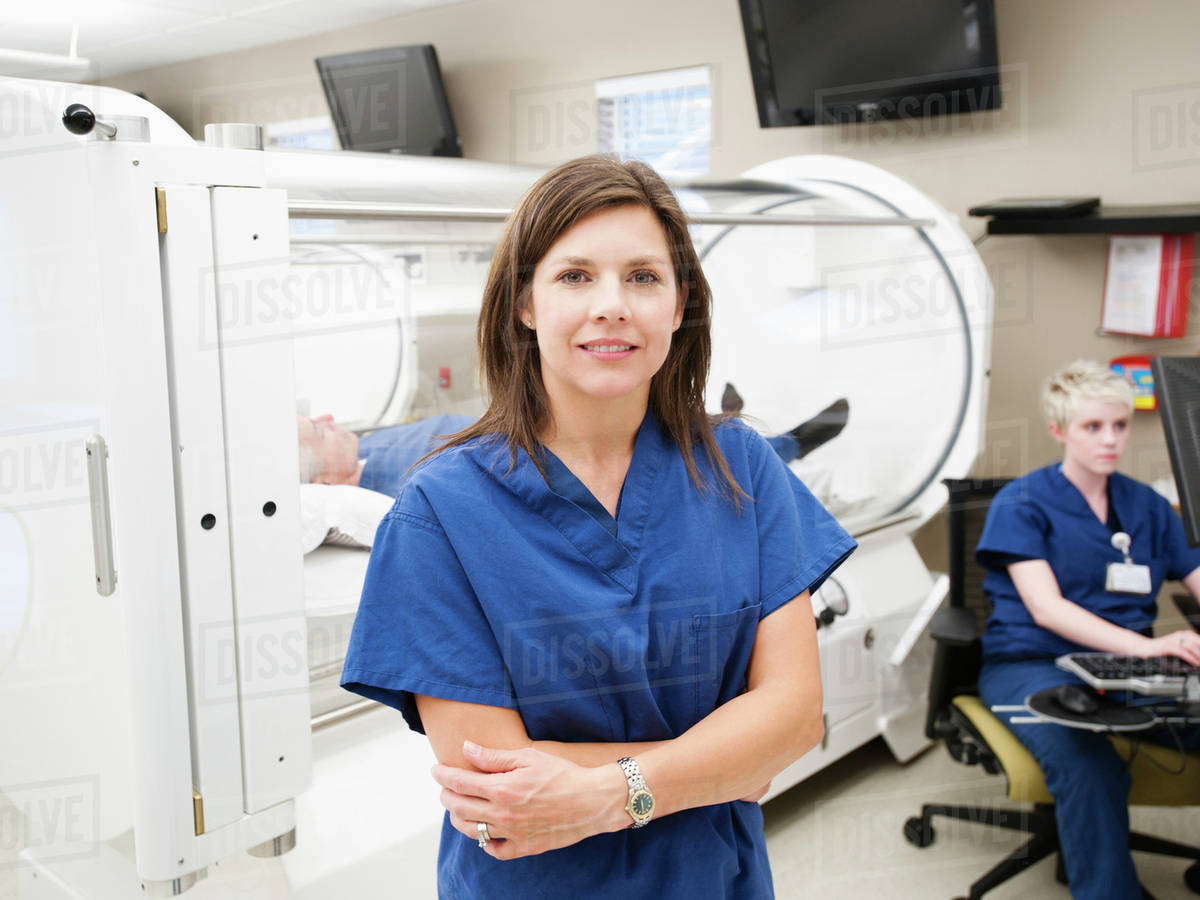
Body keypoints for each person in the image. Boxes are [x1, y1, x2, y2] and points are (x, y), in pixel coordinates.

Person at [339, 155, 856, 898]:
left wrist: (610, 792)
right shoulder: (442, 512)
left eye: (643, 277)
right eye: (575, 276)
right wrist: (718, 765)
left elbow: (796, 718)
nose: (612, 305)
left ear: (679, 306)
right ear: (524, 303)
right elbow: (499, 798)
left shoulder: (741, 467)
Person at [975, 359, 1200, 900]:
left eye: (1119, 426)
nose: (1110, 440)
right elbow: (1048, 609)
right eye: (1092, 427)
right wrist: (1150, 648)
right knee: (1087, 764)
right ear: (1059, 430)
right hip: (1030, 664)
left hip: (1130, 668)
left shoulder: (1149, 506)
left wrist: (1152, 655)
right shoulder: (1022, 503)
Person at [298, 400, 849, 500]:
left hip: (550, 426)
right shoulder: (404, 492)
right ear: (327, 485)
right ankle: (790, 444)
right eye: (319, 433)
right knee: (692, 456)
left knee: (681, 429)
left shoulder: (366, 447)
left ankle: (733, 419)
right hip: (572, 458)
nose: (328, 419)